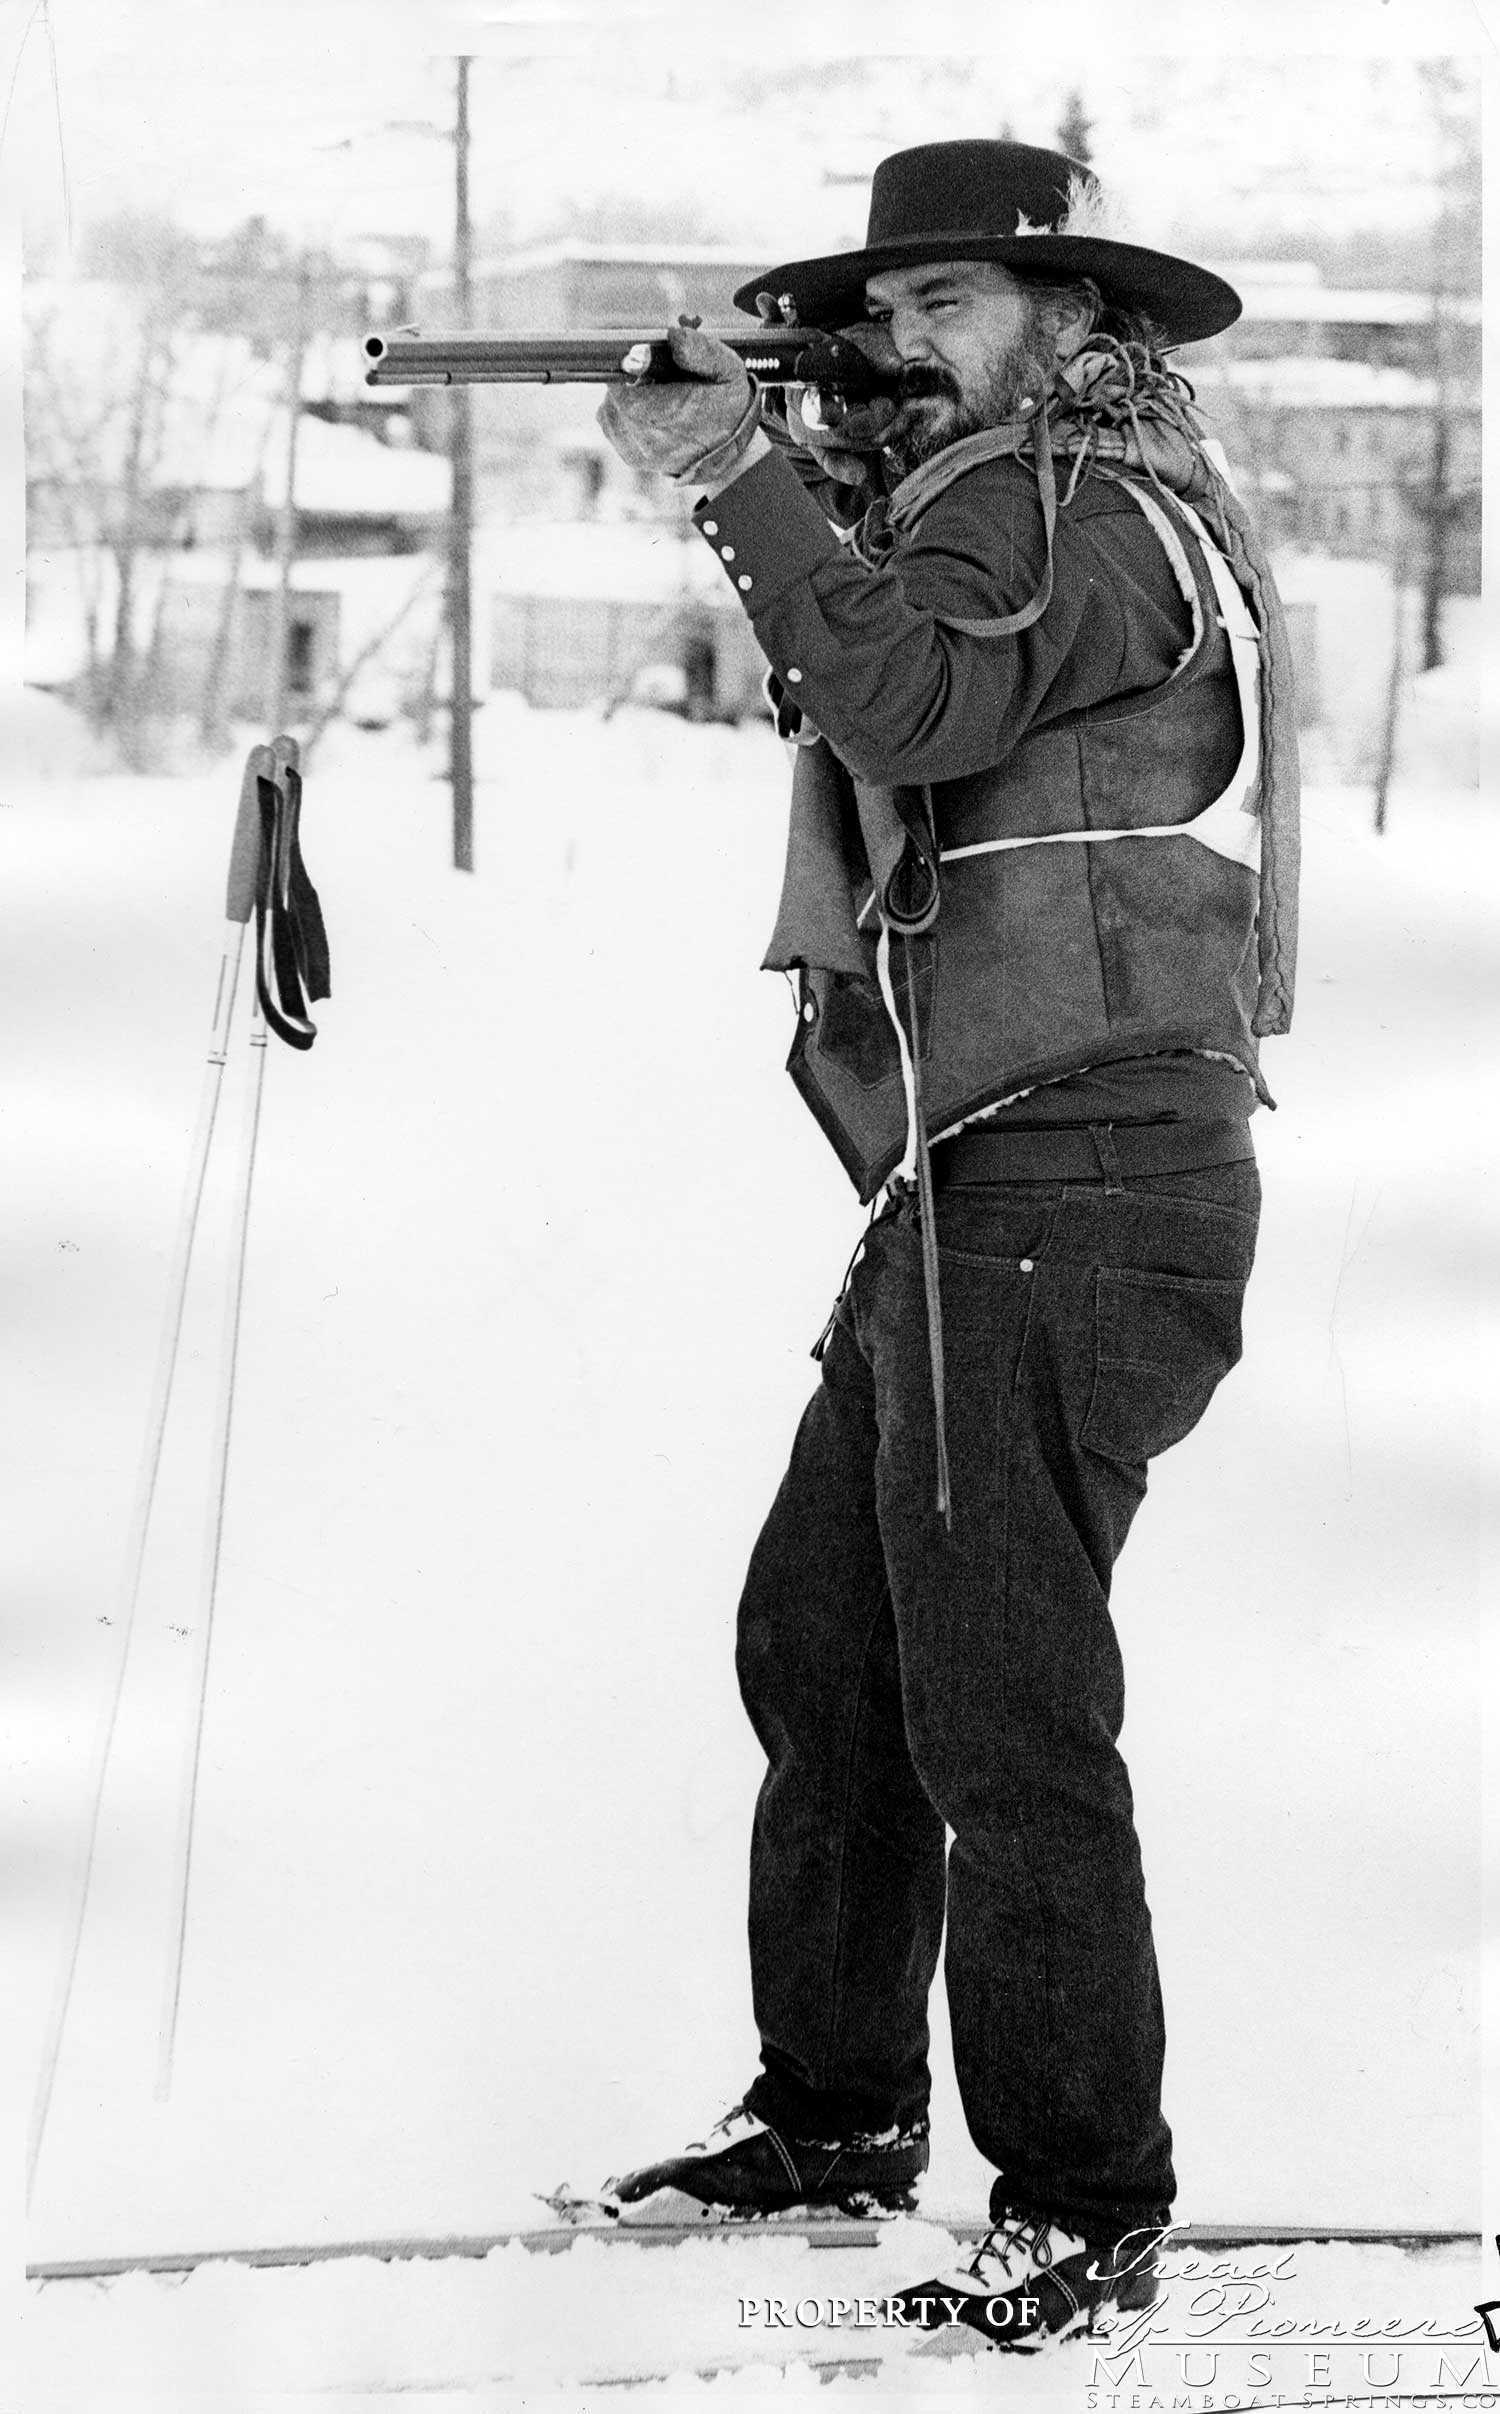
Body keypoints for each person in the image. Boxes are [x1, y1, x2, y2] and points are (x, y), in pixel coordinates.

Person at [593, 138, 1298, 2354]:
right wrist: (784, 471)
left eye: (953, 305)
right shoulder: (996, 500)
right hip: (981, 1174)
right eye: (878, 308)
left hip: (1082, 1175)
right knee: (830, 1644)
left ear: (1081, 327)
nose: (901, 341)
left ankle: (1086, 2197)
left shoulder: (1092, 510)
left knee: (1002, 1703)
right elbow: (896, 675)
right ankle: (834, 2115)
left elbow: (910, 703)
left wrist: (742, 466)